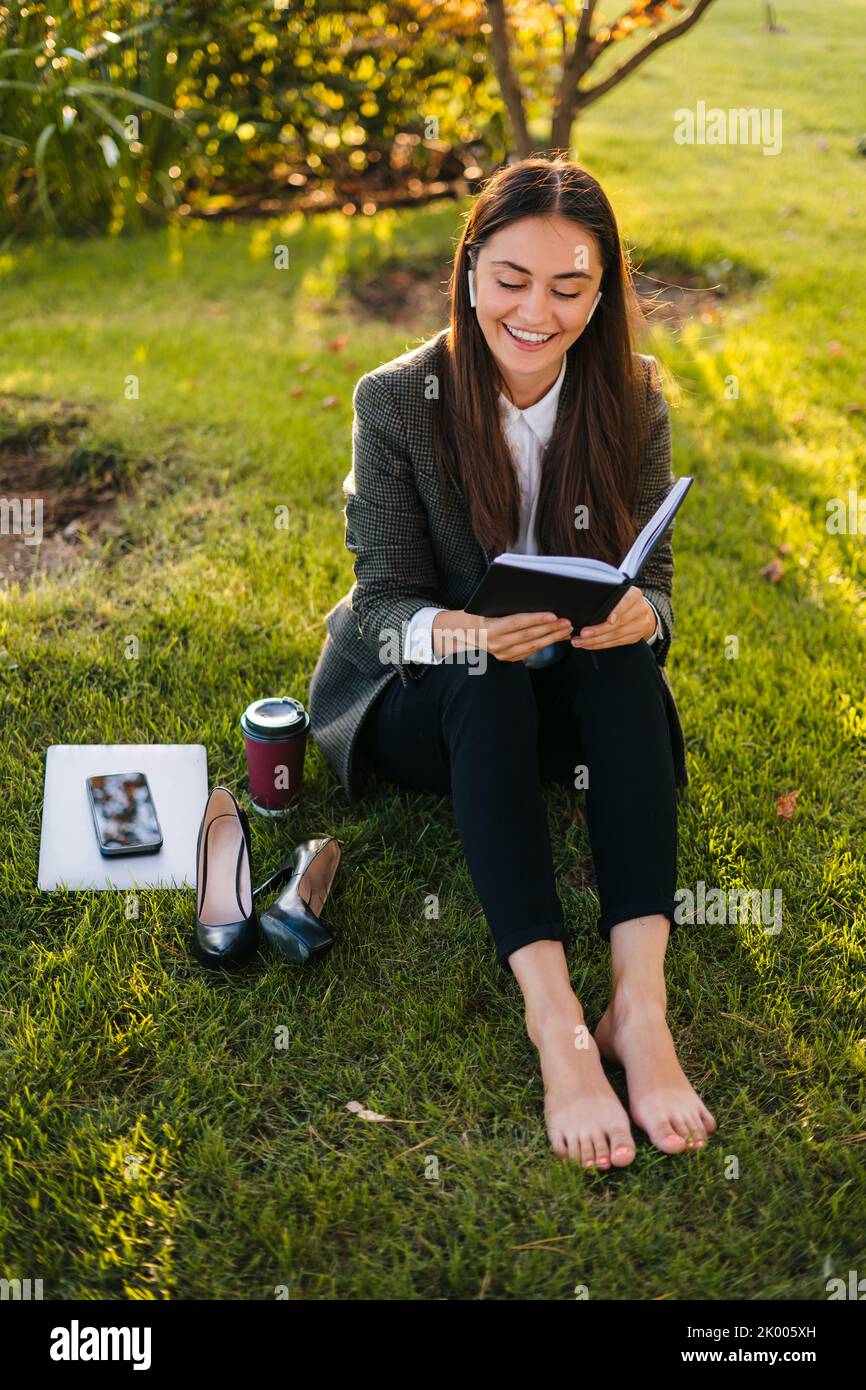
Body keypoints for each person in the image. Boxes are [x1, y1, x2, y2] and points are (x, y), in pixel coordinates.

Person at [309, 156, 716, 1168]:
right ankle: (556, 1022)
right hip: (436, 707)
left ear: (601, 288)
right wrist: (466, 633)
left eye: (569, 287)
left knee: (625, 667)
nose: (535, 311)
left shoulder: (630, 395)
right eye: (509, 280)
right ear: (468, 270)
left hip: (571, 699)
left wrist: (638, 618)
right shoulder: (397, 400)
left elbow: (652, 583)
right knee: (484, 674)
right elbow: (379, 603)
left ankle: (638, 1008)